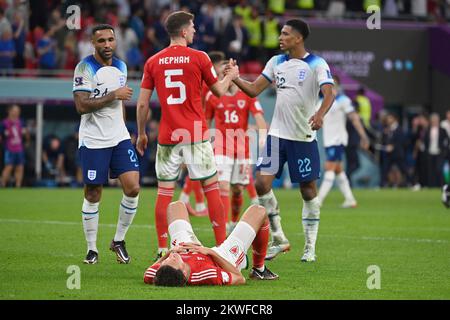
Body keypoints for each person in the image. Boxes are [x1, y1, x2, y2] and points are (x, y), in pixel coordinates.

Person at [225, 19, 336, 262]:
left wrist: (319, 114)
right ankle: (279, 238)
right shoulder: (276, 62)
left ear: (298, 38)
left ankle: (310, 246)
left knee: (307, 189)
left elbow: (329, 93)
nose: (280, 37)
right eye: (281, 34)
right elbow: (254, 89)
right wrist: (235, 78)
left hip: (303, 138)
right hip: (277, 136)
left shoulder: (317, 64)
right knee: (262, 183)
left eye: (285, 34)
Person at [136, 11, 241, 260]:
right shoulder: (200, 57)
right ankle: (223, 247)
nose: (195, 30)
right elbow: (218, 92)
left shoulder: (153, 61)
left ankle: (163, 248)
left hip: (167, 135)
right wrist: (230, 76)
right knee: (211, 188)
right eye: (192, 27)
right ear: (183, 31)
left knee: (164, 192)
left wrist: (141, 133)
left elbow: (142, 104)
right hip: (195, 133)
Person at [72, 24, 140, 265]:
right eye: (101, 41)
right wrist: (113, 95)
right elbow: (81, 106)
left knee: (133, 188)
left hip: (119, 137)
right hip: (93, 139)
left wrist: (126, 129)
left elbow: (120, 104)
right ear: (93, 43)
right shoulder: (85, 68)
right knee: (93, 192)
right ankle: (92, 249)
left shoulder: (121, 65)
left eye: (111, 40)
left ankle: (118, 240)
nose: (107, 45)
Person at [204, 52, 267, 234]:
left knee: (238, 190)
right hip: (221, 147)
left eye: (229, 72)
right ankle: (223, 230)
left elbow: (259, 118)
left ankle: (232, 221)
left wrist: (262, 138)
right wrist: (204, 143)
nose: (226, 76)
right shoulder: (212, 96)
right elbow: (207, 121)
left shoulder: (247, 95)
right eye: (224, 73)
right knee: (222, 185)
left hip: (242, 150)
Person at [143, 201, 278, 286]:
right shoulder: (207, 274)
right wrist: (210, 252)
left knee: (175, 206)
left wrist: (171, 253)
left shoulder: (159, 274)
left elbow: (148, 272)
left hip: (186, 247)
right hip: (221, 257)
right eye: (172, 260)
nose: (167, 259)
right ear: (184, 273)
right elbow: (239, 278)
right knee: (259, 211)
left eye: (164, 262)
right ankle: (259, 269)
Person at [317, 75, 370, 208]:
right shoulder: (321, 102)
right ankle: (350, 199)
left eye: (334, 84)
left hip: (338, 140)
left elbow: (354, 118)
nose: (331, 86)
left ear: (339, 85)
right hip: (328, 140)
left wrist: (364, 136)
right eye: (329, 83)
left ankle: (318, 201)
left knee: (329, 168)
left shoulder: (343, 100)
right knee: (338, 170)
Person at [1, 104, 28, 187]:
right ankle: (2, 184)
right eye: (15, 111)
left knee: (20, 167)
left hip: (19, 148)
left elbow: (26, 134)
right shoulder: (4, 123)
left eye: (18, 111)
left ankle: (18, 185)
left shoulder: (21, 122)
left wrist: (26, 138)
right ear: (10, 111)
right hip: (9, 148)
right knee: (9, 167)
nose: (17, 113)